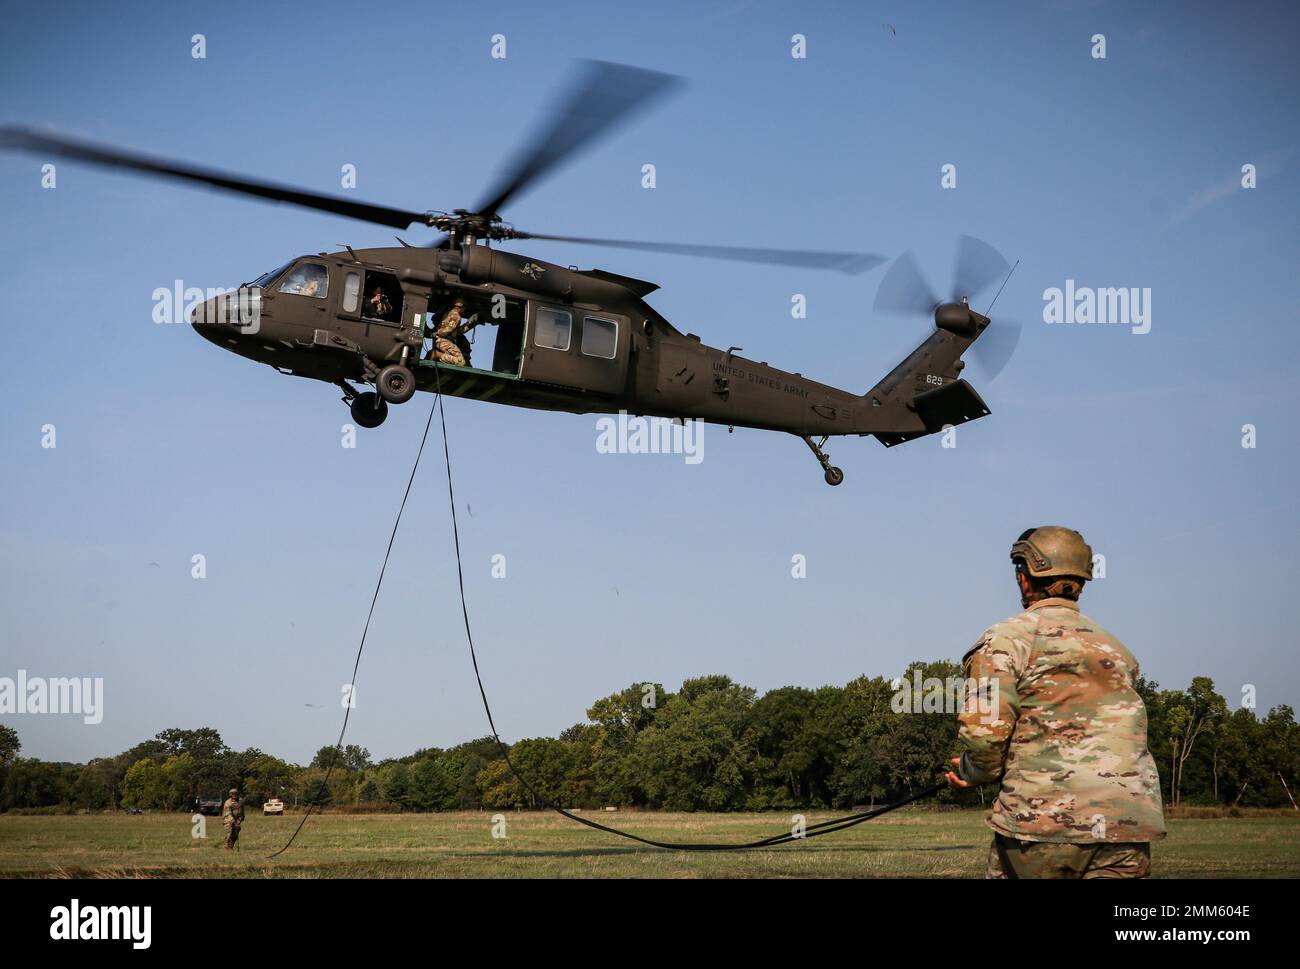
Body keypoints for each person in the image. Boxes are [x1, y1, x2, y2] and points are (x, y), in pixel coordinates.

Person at [946, 526, 1166, 878]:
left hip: (1041, 826)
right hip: (1126, 829)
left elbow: (985, 735)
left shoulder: (1005, 639)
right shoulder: (1118, 650)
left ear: (1024, 577)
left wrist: (972, 772)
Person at [425, 298, 470, 366]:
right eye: (465, 307)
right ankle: (435, 354)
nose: (465, 310)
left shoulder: (448, 313)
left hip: (440, 341)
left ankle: (433, 354)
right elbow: (449, 329)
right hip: (444, 341)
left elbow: (456, 330)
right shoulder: (456, 315)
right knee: (460, 361)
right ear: (461, 306)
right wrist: (438, 333)